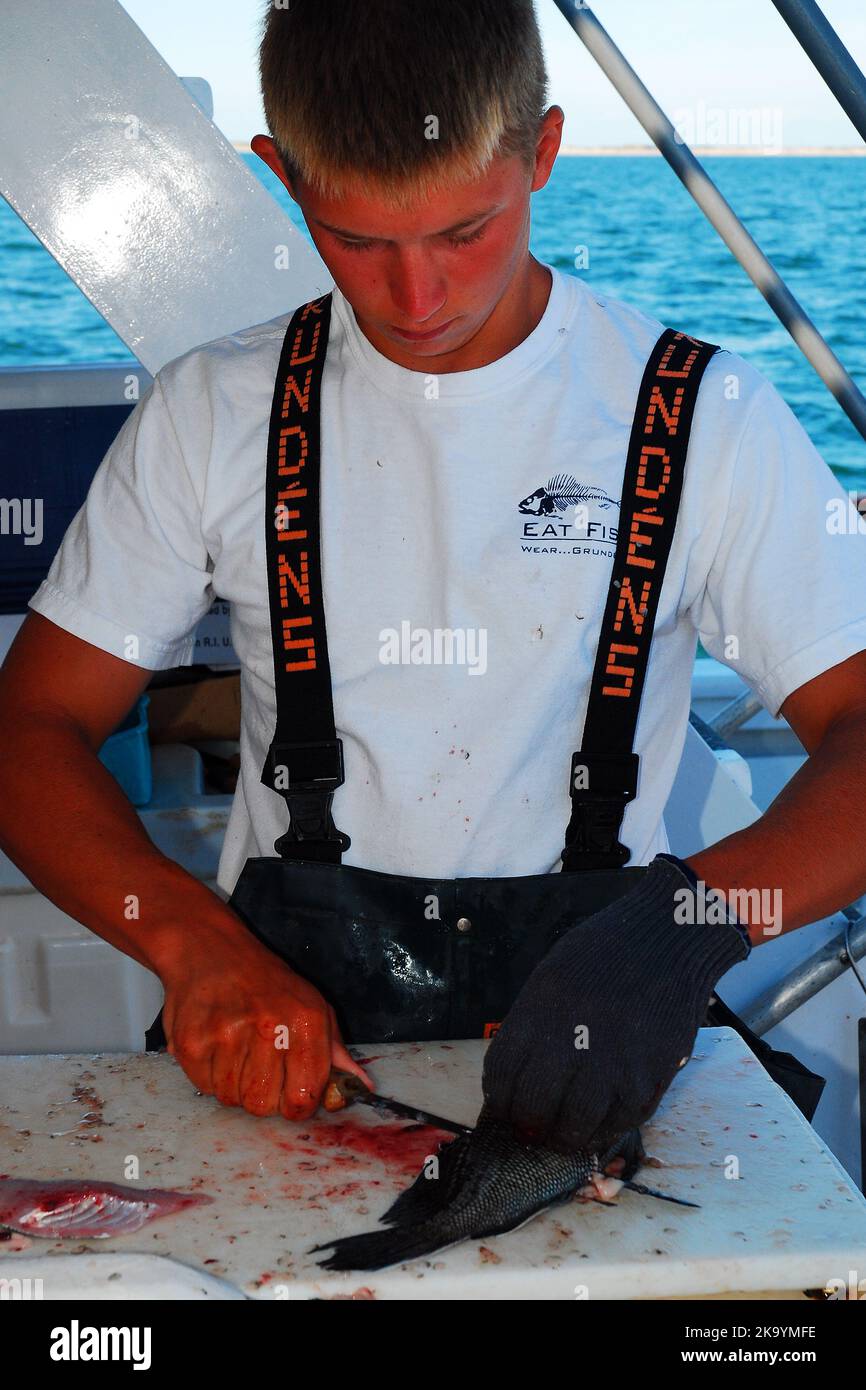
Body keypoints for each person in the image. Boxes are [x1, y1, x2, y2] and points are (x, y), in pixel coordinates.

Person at [1, 0, 866, 1152]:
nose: (417, 300)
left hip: (611, 1029)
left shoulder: (700, 413)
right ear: (279, 175)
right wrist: (187, 940)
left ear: (543, 152)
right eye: (357, 241)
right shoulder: (211, 413)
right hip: (283, 1065)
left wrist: (679, 930)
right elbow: (33, 725)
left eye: (464, 231)